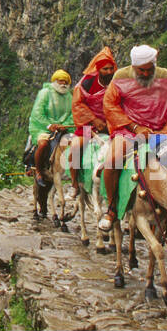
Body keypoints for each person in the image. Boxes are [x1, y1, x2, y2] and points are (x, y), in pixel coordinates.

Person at [100, 44, 167, 227]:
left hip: (160, 132)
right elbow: (110, 106)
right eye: (142, 70)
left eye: (150, 70)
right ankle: (111, 208)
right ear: (134, 67)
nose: (147, 74)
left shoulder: (165, 76)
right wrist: (135, 127)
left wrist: (163, 132)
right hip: (128, 131)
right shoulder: (120, 77)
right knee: (113, 161)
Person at [67, 47, 116, 195]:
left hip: (112, 124)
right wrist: (94, 120)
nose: (109, 72)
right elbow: (78, 104)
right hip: (89, 126)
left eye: (111, 68)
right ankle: (74, 184)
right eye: (105, 69)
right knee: (76, 147)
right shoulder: (86, 83)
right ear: (98, 69)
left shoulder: (116, 82)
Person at [28, 69, 74, 215]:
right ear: (54, 82)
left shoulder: (69, 96)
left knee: (75, 144)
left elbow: (72, 114)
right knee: (43, 144)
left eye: (65, 82)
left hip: (62, 129)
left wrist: (64, 125)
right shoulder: (45, 93)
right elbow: (37, 113)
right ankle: (39, 170)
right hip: (42, 127)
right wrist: (49, 125)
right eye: (60, 81)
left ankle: (73, 174)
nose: (63, 84)